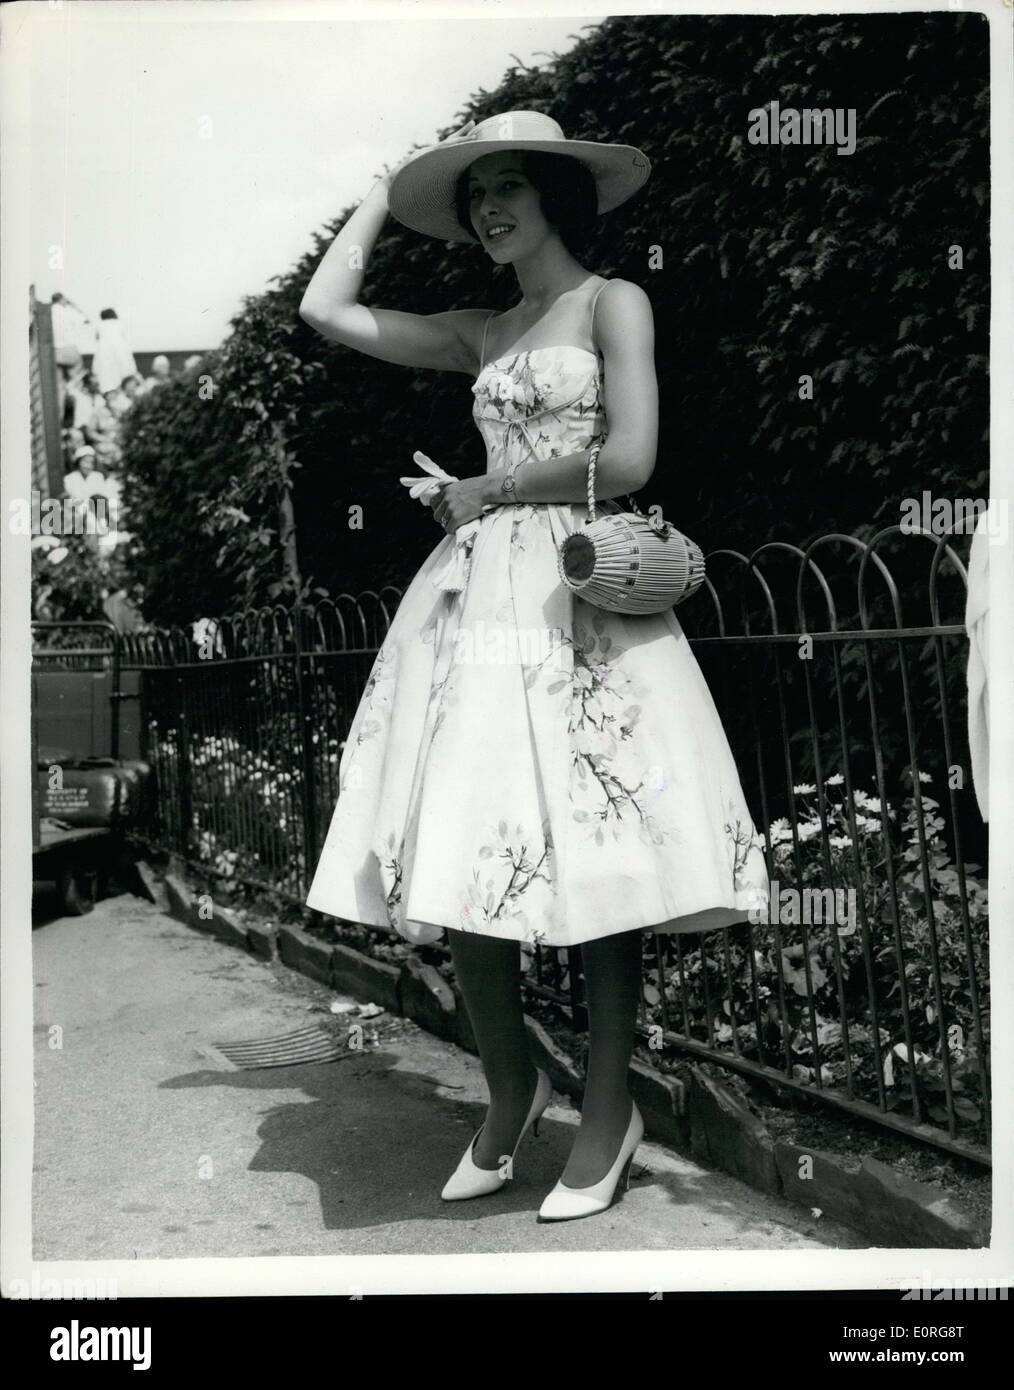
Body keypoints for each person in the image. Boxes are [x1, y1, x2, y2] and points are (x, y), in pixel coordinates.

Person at [299, 111, 770, 1222]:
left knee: (601, 847)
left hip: (579, 589)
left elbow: (634, 457)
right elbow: (325, 310)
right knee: (465, 831)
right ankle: (511, 1089)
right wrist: (378, 184)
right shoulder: (482, 327)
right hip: (477, 599)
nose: (488, 210)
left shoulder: (614, 302)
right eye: (472, 196)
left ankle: (607, 1112)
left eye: (508, 186)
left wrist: (488, 489)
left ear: (556, 193)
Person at [92, 308, 138, 395]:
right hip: (121, 355)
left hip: (104, 357)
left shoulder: (100, 326)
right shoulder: (120, 324)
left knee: (107, 383)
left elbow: (97, 338)